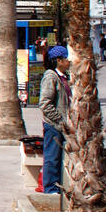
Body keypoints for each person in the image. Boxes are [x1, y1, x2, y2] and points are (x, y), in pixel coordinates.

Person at [38, 46, 73, 194]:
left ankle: (58, 186)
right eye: (66, 59)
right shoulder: (51, 76)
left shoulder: (64, 77)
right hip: (54, 126)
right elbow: (45, 103)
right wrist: (60, 121)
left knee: (59, 158)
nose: (69, 61)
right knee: (52, 158)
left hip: (63, 126)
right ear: (59, 61)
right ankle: (50, 188)